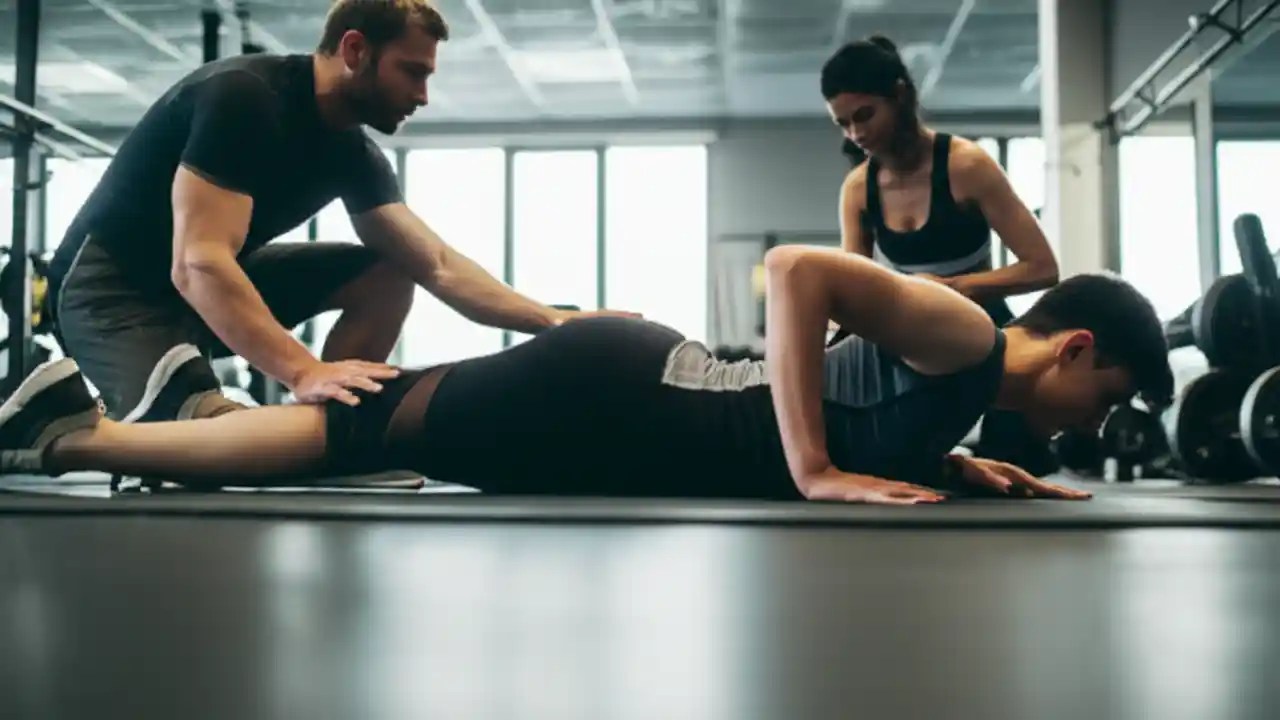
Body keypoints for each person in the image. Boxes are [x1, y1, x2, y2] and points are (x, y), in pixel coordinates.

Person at [2, 246, 1173, 505]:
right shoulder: (965, 334)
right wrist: (813, 467)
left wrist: (952, 465)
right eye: (1107, 396)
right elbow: (794, 271)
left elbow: (871, 398)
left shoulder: (959, 390)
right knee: (359, 434)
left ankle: (81, 428)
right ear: (1073, 345)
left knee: (370, 424)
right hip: (612, 393)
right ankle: (67, 433)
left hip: (619, 396)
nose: (1093, 421)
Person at [44, 0, 631, 425]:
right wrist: (303, 371)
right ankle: (37, 428)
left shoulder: (352, 153)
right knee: (204, 429)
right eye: (414, 71)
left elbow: (438, 267)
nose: (423, 95)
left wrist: (555, 322)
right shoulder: (245, 98)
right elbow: (196, 264)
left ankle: (335, 421)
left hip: (204, 288)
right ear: (355, 50)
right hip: (111, 291)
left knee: (386, 272)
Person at [821, 35, 1061, 474]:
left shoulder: (967, 166)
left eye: (864, 115)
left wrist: (950, 288)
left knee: (1017, 460)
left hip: (989, 329)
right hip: (918, 336)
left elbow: (1044, 267)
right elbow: (849, 289)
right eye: (843, 124)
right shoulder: (858, 188)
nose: (856, 134)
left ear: (899, 95)